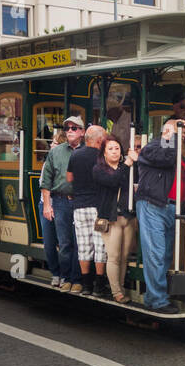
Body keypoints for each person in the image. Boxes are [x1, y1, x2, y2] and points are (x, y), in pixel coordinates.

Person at [134, 115, 185, 314]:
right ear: (167, 130)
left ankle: (155, 296)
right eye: (179, 131)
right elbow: (165, 158)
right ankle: (157, 300)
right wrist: (170, 137)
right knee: (155, 254)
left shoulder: (178, 151)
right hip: (152, 205)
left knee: (164, 254)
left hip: (172, 208)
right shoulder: (153, 147)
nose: (182, 136)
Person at [41, 117, 84, 290]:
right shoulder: (56, 152)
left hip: (81, 201)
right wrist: (46, 205)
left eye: (74, 128)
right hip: (60, 201)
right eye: (67, 128)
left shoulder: (89, 151)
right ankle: (66, 278)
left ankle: (78, 279)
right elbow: (46, 181)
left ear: (81, 131)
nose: (70, 131)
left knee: (80, 242)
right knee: (65, 243)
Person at [93, 135, 138, 303]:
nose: (114, 152)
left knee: (124, 256)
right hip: (111, 219)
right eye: (110, 149)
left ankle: (120, 287)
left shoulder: (129, 167)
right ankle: (116, 292)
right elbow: (113, 181)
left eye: (117, 148)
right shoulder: (98, 169)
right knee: (113, 256)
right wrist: (127, 164)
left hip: (128, 217)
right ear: (104, 153)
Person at [66, 125, 108, 296]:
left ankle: (86, 285)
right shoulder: (102, 156)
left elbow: (69, 178)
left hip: (80, 207)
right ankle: (99, 286)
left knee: (83, 246)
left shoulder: (75, 154)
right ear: (99, 140)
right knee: (100, 245)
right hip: (99, 207)